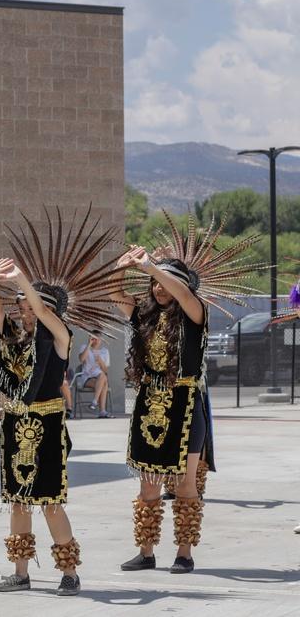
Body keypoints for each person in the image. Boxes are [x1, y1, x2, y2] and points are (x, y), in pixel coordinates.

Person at [0, 206, 123, 597]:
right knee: (17, 501)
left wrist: (23, 281)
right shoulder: (13, 338)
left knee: (49, 502)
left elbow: (42, 309)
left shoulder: (59, 336)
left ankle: (69, 572)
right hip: (15, 424)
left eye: (30, 307)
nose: (25, 312)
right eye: (21, 307)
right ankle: (20, 572)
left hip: (46, 425)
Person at [110, 212, 262, 575]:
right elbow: (114, 293)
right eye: (155, 284)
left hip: (185, 406)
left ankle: (184, 553)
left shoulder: (196, 313)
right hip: (149, 405)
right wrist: (122, 267)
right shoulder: (144, 314)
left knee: (184, 484)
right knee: (148, 487)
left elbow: (181, 292)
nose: (159, 289)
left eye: (166, 284)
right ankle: (146, 552)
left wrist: (153, 267)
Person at [77, 334, 111, 418]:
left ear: (101, 340)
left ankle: (95, 402)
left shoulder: (104, 351)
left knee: (103, 377)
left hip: (99, 377)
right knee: (104, 381)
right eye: (93, 339)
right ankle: (102, 411)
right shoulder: (85, 347)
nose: (95, 341)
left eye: (97, 339)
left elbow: (105, 370)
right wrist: (89, 345)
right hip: (87, 378)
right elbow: (81, 359)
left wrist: (100, 361)